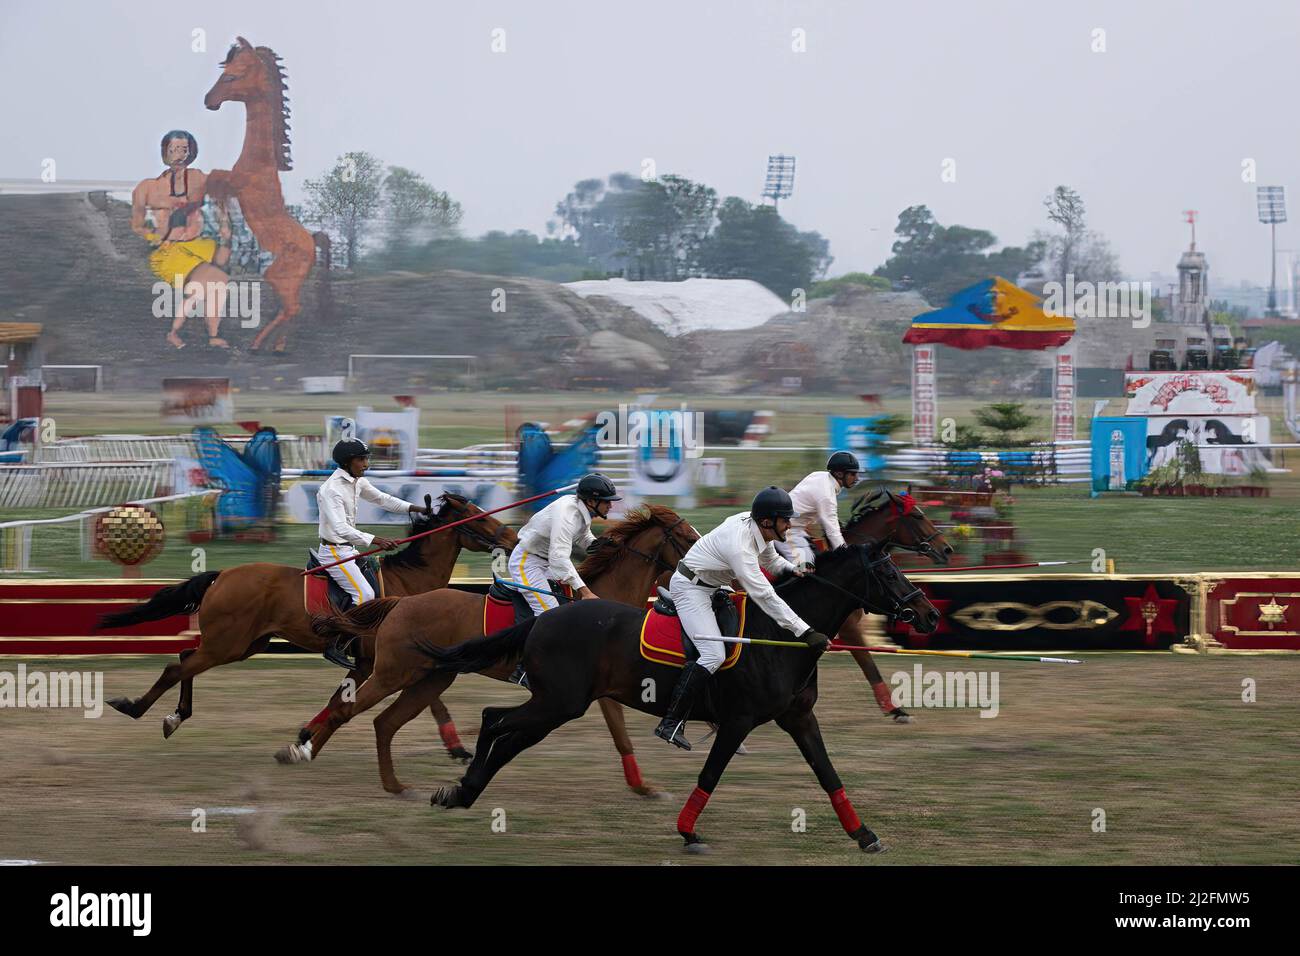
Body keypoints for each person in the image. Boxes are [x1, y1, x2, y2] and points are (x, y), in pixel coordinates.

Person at [654, 486, 828, 750]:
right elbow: (765, 596)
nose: (790, 524)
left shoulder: (760, 527)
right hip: (691, 589)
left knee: (742, 647)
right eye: (786, 519)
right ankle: (671, 722)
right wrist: (804, 631)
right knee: (713, 655)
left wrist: (794, 569)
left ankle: (723, 711)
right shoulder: (740, 547)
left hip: (715, 585)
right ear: (768, 521)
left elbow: (771, 562)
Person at [316, 438, 431, 667]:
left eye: (366, 459)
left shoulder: (357, 482)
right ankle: (336, 644)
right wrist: (376, 540)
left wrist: (416, 509)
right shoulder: (330, 490)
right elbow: (340, 529)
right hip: (334, 554)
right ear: (348, 462)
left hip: (349, 550)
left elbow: (383, 499)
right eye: (362, 459)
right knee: (365, 595)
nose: (366, 464)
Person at [505, 472, 621, 686]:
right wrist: (585, 592)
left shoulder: (581, 511)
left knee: (566, 607)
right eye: (607, 502)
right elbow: (559, 557)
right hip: (527, 562)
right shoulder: (567, 513)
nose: (610, 506)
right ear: (592, 500)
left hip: (545, 563)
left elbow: (582, 536)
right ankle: (523, 669)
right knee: (551, 616)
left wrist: (596, 545)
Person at [130, 130, 233, 349]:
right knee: (214, 280)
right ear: (164, 152)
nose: (178, 154)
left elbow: (221, 194)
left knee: (215, 281)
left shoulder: (198, 178)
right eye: (173, 149)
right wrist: (156, 237)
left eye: (183, 149)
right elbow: (137, 225)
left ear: (191, 152)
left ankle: (199, 334)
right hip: (169, 251)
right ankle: (184, 332)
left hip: (199, 246)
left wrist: (224, 222)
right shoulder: (147, 187)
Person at [780, 451, 861, 565]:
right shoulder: (826, 495)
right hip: (786, 531)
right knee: (807, 569)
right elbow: (832, 531)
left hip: (796, 529)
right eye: (852, 474)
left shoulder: (818, 475)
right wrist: (847, 555)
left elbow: (812, 508)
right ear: (839, 474)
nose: (857, 478)